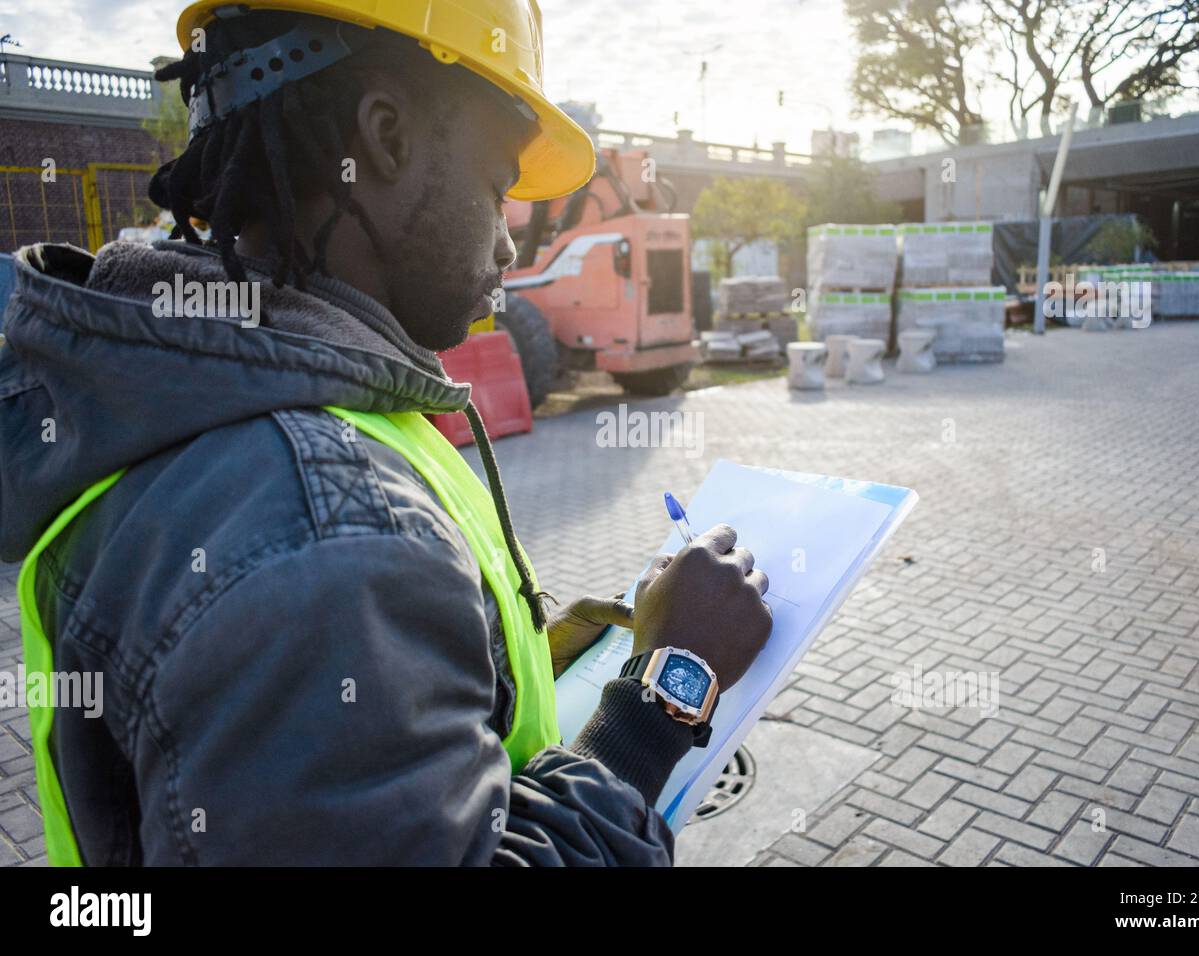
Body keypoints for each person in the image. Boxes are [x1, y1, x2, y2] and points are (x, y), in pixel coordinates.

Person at [0, 0, 771, 865]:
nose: (511, 248)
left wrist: (482, 683)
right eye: (497, 186)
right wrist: (664, 693)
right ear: (386, 139)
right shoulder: (328, 532)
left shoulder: (204, 402)